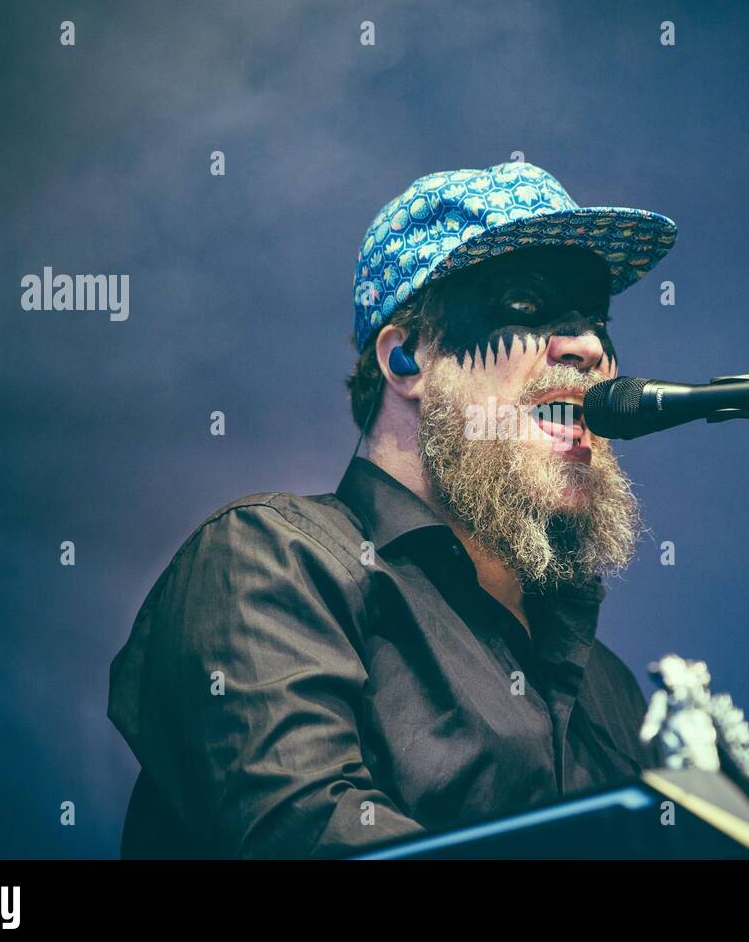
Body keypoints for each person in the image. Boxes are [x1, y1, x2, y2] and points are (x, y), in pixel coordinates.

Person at [107, 161, 678, 857]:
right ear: (406, 357)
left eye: (596, 320)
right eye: (527, 305)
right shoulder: (272, 564)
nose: (589, 347)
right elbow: (310, 837)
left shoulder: (610, 690)